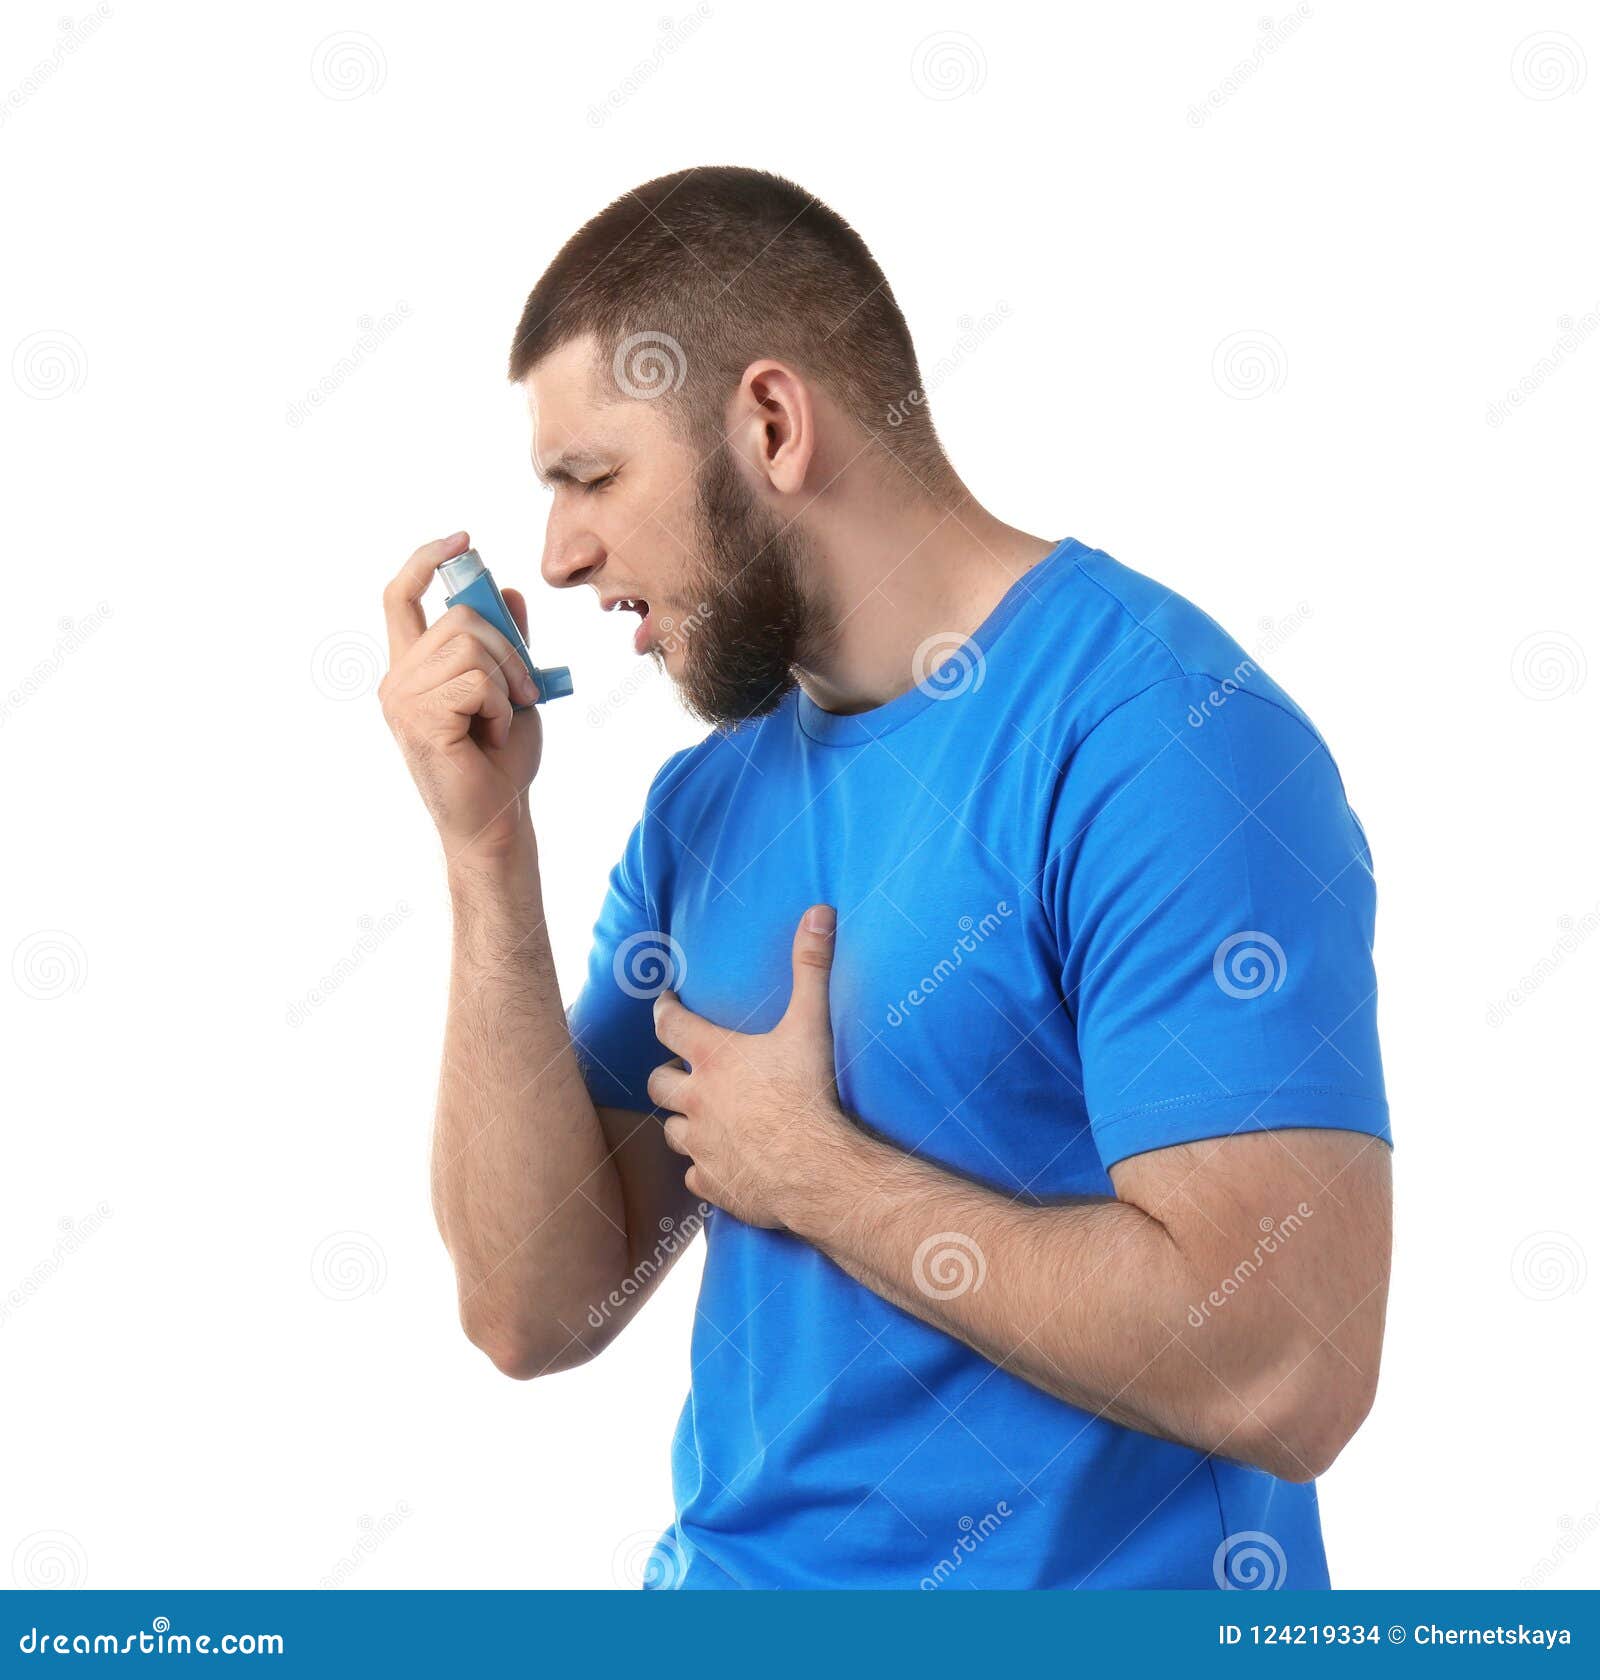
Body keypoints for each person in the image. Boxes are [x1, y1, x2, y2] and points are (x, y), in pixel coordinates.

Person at [379, 166, 1393, 1591]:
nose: (560, 555)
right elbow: (531, 1308)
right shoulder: (704, 808)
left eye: (593, 477)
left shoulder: (1165, 743)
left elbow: (1290, 1368)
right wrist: (487, 855)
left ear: (774, 425)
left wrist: (823, 1180)